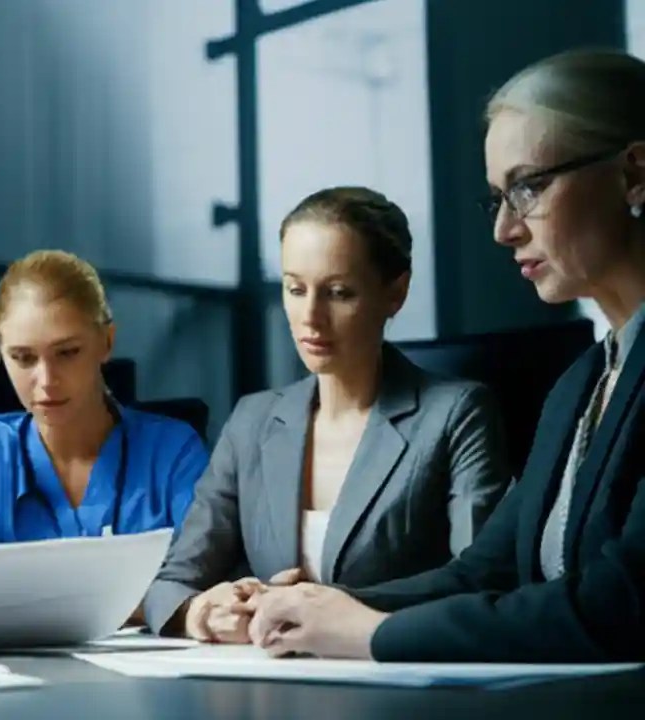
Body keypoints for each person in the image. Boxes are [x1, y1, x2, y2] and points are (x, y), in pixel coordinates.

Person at [248, 49, 645, 663]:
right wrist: (321, 606)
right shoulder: (580, 383)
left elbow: (620, 606)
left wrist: (366, 634)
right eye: (498, 198)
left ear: (635, 173)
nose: (504, 229)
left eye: (528, 187)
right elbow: (484, 573)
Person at [144, 187, 512, 643]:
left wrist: (316, 607)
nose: (310, 317)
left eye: (338, 293)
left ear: (395, 293)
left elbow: (481, 581)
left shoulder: (456, 414)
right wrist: (201, 612)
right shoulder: (253, 420)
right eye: (295, 289)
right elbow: (169, 583)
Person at [0, 249, 209, 553]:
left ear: (107, 342)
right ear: (2, 352)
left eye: (67, 353)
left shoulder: (174, 452)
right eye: (23, 358)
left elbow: (195, 586)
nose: (47, 380)